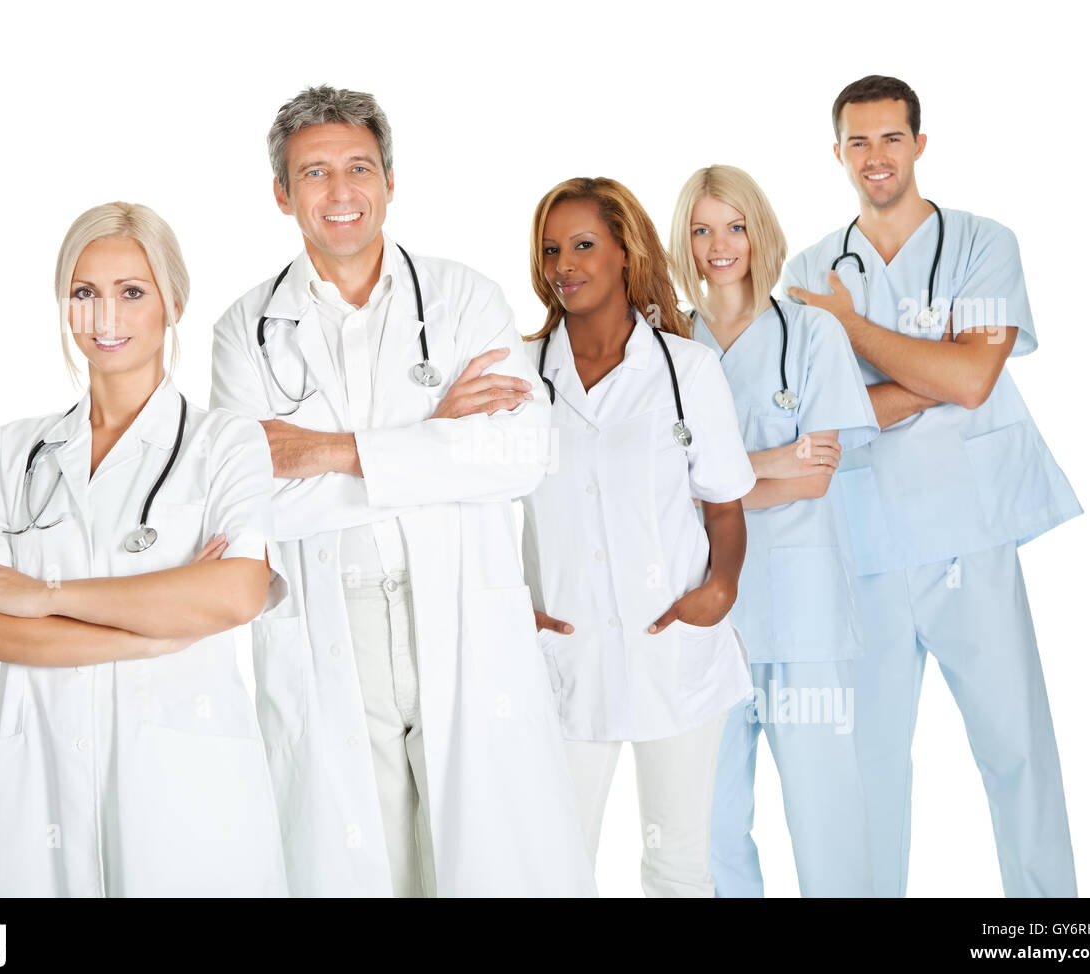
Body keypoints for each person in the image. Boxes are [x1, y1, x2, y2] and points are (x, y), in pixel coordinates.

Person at [209, 85, 594, 897]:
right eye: (314, 173)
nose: (340, 191)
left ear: (390, 180)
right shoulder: (244, 331)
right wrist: (435, 436)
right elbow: (252, 501)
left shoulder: (464, 299)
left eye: (359, 167)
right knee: (364, 863)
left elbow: (521, 453)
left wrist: (326, 451)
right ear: (282, 193)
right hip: (330, 618)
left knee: (483, 857)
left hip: (459, 607)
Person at [0, 202, 289, 897]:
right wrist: (155, 628)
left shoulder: (225, 443)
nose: (105, 319)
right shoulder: (17, 450)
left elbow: (239, 592)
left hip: (184, 796)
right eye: (84, 293)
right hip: (44, 787)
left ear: (173, 302)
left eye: (132, 292)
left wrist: (39, 598)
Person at [783, 75, 1082, 897]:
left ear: (920, 144)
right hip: (865, 544)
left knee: (1016, 748)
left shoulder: (986, 243)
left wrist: (854, 333)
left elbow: (979, 379)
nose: (875, 157)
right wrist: (943, 372)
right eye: (858, 141)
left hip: (968, 538)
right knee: (869, 764)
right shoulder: (809, 267)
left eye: (890, 138)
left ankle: (1050, 927)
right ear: (837, 152)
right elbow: (820, 415)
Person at [521, 176, 755, 897]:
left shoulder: (687, 371)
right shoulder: (519, 376)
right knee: (555, 865)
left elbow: (724, 505)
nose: (566, 263)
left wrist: (720, 588)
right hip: (565, 655)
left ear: (625, 252)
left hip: (672, 650)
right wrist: (514, 604)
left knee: (678, 867)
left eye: (585, 245)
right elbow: (485, 505)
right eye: (553, 249)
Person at [667, 165, 878, 897]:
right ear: (684, 242)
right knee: (712, 829)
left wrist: (714, 483)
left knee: (826, 823)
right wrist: (773, 462)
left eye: (734, 226)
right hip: (706, 619)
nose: (719, 245)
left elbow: (816, 476)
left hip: (802, 614)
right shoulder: (667, 345)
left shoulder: (811, 331)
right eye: (701, 229)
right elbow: (663, 491)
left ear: (760, 231)